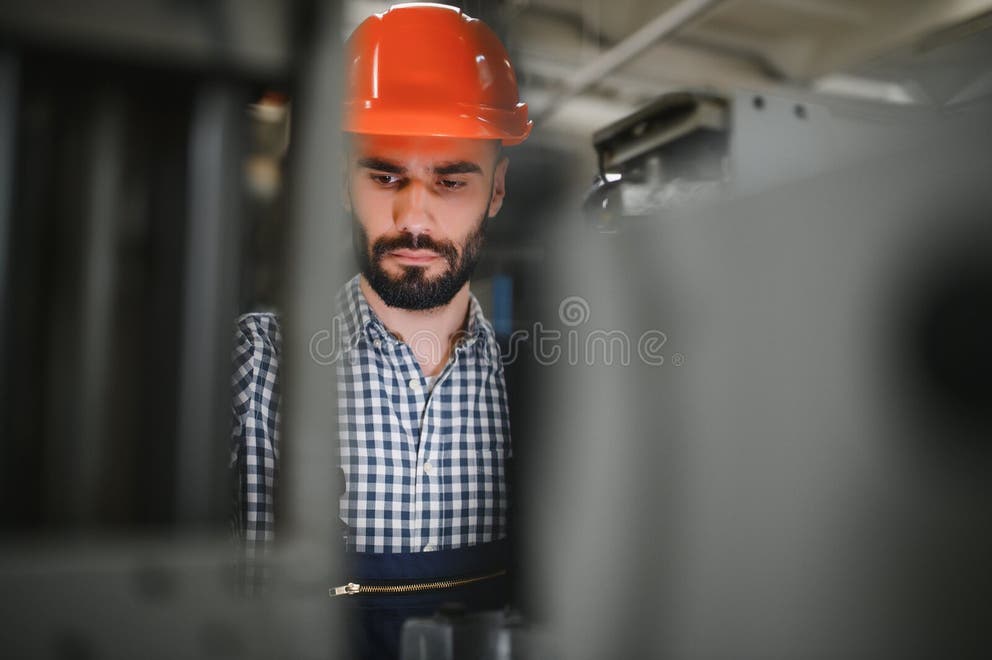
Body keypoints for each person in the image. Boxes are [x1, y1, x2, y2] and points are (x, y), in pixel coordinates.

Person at [230, 4, 531, 658]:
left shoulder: (537, 387)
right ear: (343, 181)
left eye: (450, 180)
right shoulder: (255, 371)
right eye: (385, 175)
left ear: (497, 190)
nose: (413, 215)